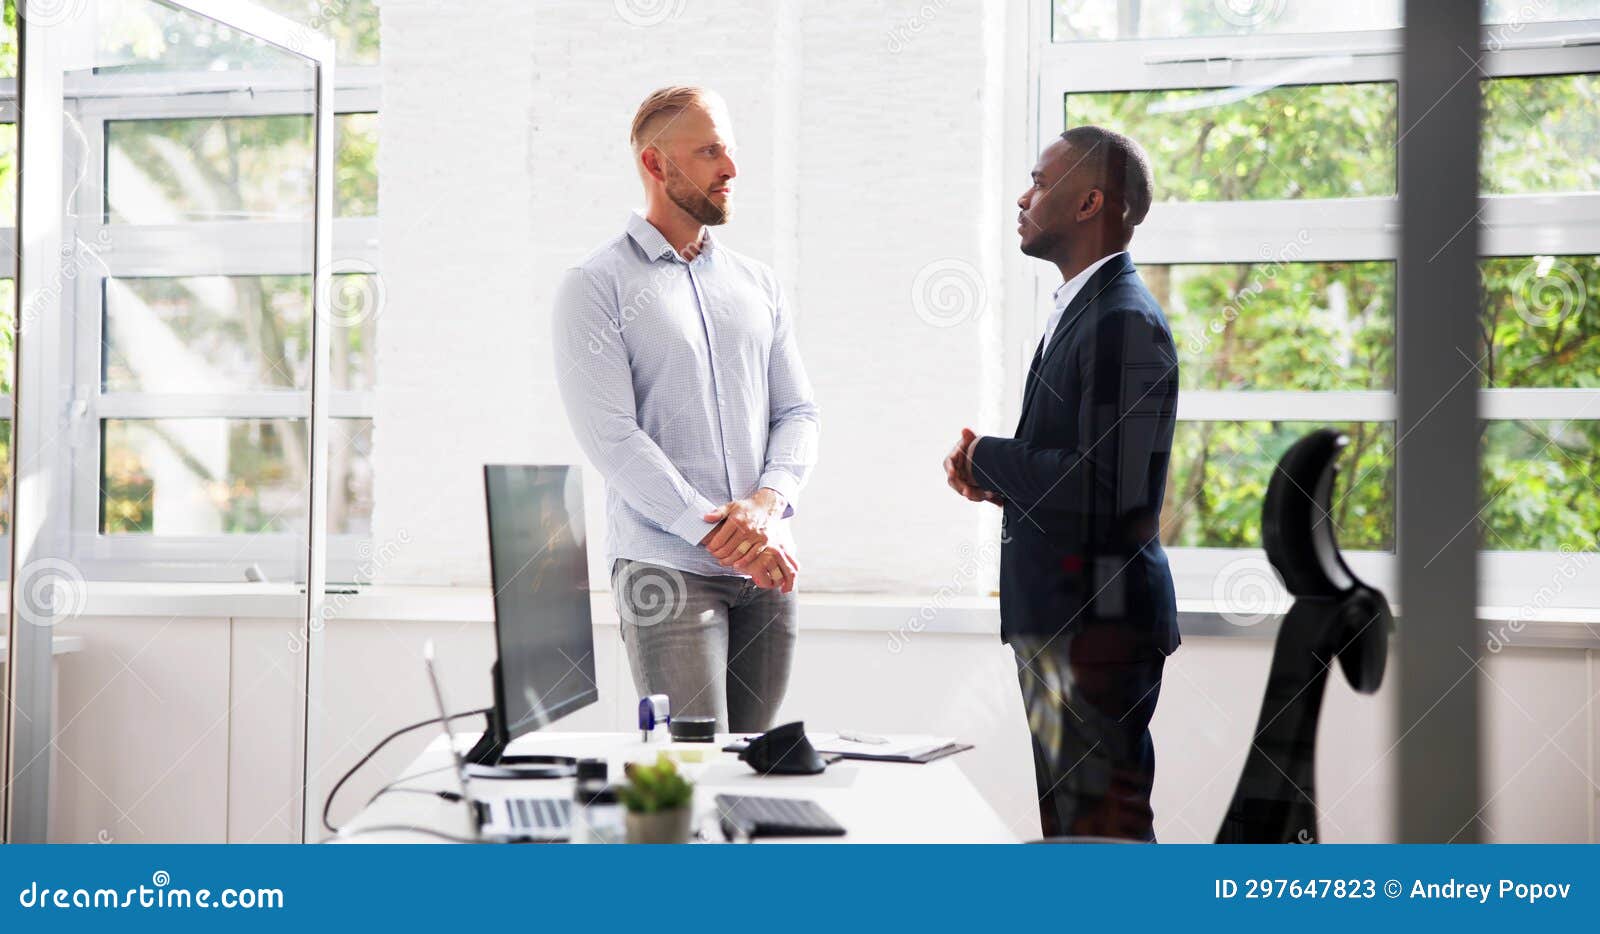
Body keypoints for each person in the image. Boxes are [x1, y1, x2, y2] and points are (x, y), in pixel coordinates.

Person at [553, 86, 819, 732]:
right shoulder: (595, 286)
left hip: (766, 567)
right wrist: (723, 536)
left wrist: (764, 508)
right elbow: (614, 440)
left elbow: (799, 414)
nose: (730, 170)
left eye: (728, 152)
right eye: (708, 153)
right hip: (666, 573)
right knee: (691, 775)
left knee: (755, 773)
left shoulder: (758, 286)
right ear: (655, 165)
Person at [943, 125, 1179, 841]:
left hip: (1095, 634)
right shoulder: (1086, 308)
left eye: (1040, 182)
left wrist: (990, 459)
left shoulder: (1124, 322)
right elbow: (1080, 470)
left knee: (1103, 841)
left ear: (1090, 203)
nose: (1024, 196)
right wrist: (1003, 479)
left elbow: (1111, 495)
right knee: (1073, 834)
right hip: (1061, 629)